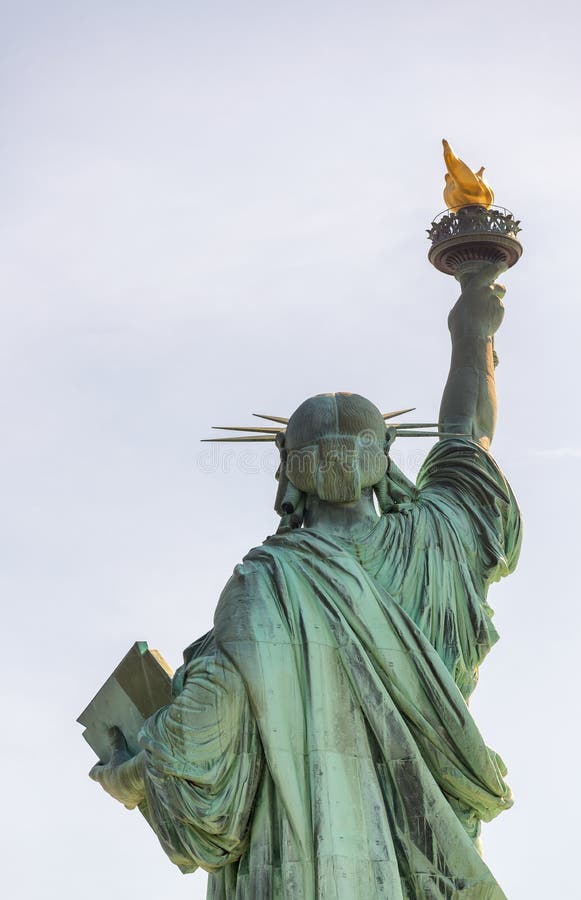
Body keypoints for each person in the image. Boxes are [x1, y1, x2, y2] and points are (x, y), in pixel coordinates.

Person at [90, 267, 522, 900]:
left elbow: (197, 744)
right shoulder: (440, 545)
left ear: (287, 475)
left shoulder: (262, 586)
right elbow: (466, 435)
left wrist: (127, 772)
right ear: (384, 462)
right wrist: (473, 323)